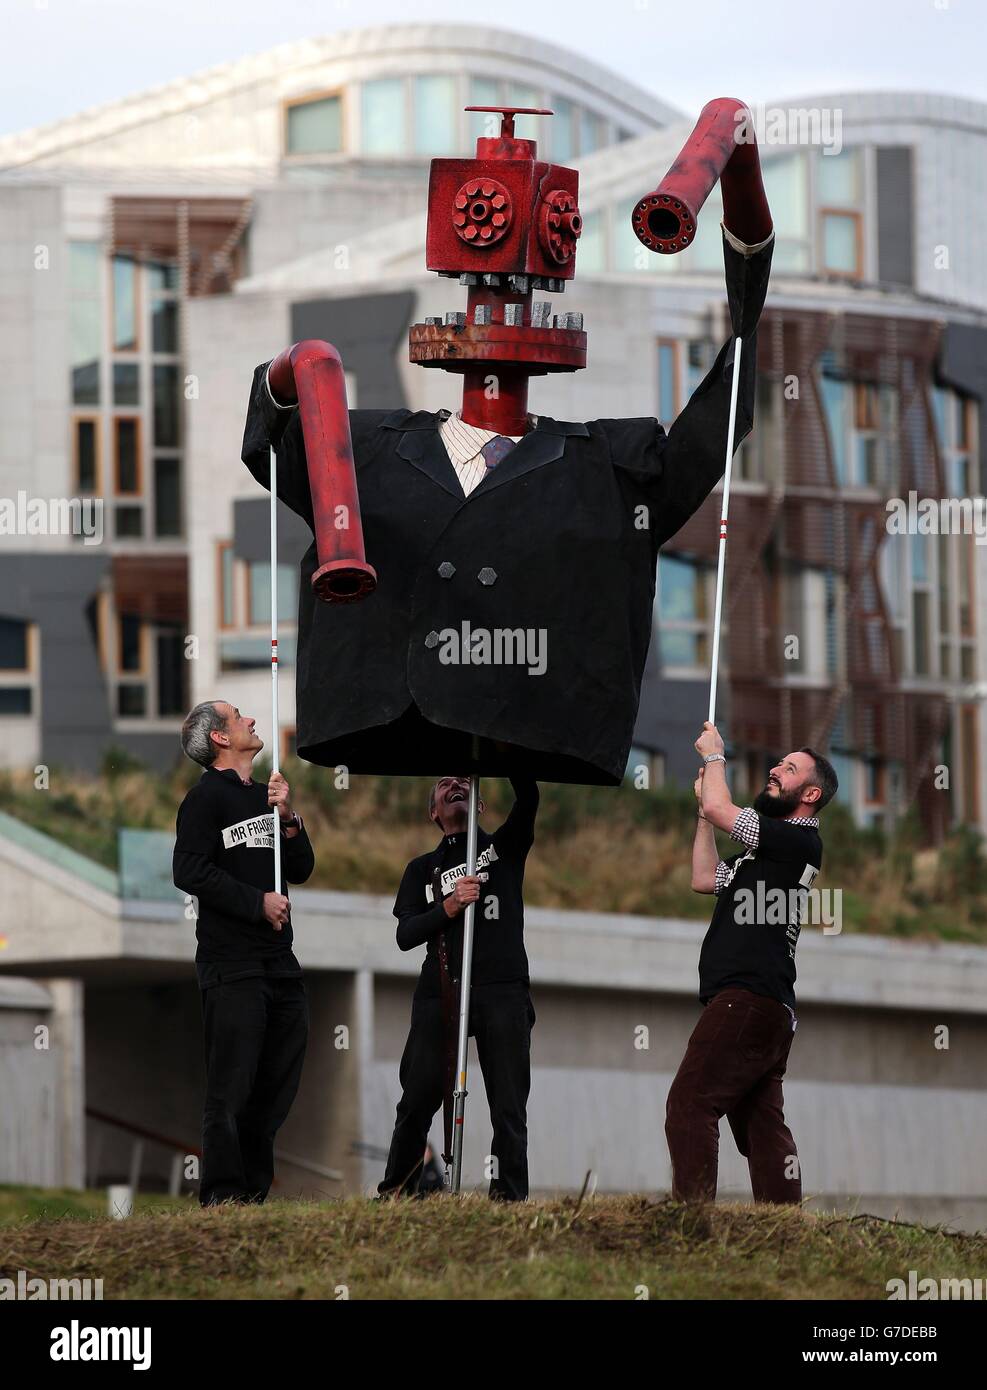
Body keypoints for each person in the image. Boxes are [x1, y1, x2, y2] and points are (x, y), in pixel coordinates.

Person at [664, 722, 838, 1206]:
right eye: (778, 763)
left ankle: (691, 1222)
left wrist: (715, 757)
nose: (775, 771)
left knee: (691, 1102)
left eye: (789, 768)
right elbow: (702, 877)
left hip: (748, 999)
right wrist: (704, 816)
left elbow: (725, 809)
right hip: (767, 1006)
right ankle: (782, 1229)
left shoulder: (797, 839)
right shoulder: (761, 854)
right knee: (761, 1126)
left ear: (811, 792)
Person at [173, 700, 315, 1205]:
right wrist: (256, 903)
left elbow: (300, 869)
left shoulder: (268, 797)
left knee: (275, 1086)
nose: (252, 720)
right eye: (238, 717)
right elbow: (188, 870)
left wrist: (290, 818)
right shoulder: (203, 800)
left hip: (280, 964)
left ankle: (253, 1196)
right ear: (220, 738)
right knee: (232, 1088)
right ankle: (223, 1196)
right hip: (231, 967)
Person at [378, 773, 539, 1200]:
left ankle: (507, 1195)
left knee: (508, 1103)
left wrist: (506, 754)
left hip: (502, 987)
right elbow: (405, 933)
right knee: (416, 1099)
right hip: (441, 988)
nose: (456, 784)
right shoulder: (420, 869)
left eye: (466, 781)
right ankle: (398, 1189)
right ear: (434, 811)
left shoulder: (503, 849)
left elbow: (529, 796)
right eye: (444, 784)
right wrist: (448, 907)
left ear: (481, 805)